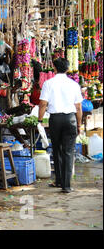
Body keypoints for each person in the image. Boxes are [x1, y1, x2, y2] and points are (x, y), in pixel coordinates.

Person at [38, 57, 82, 193]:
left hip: (55, 120)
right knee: (68, 152)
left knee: (57, 149)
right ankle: (66, 185)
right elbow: (79, 107)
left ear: (54, 68)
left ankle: (58, 180)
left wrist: (39, 120)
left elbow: (43, 104)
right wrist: (79, 124)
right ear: (68, 69)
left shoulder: (48, 83)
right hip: (70, 119)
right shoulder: (74, 84)